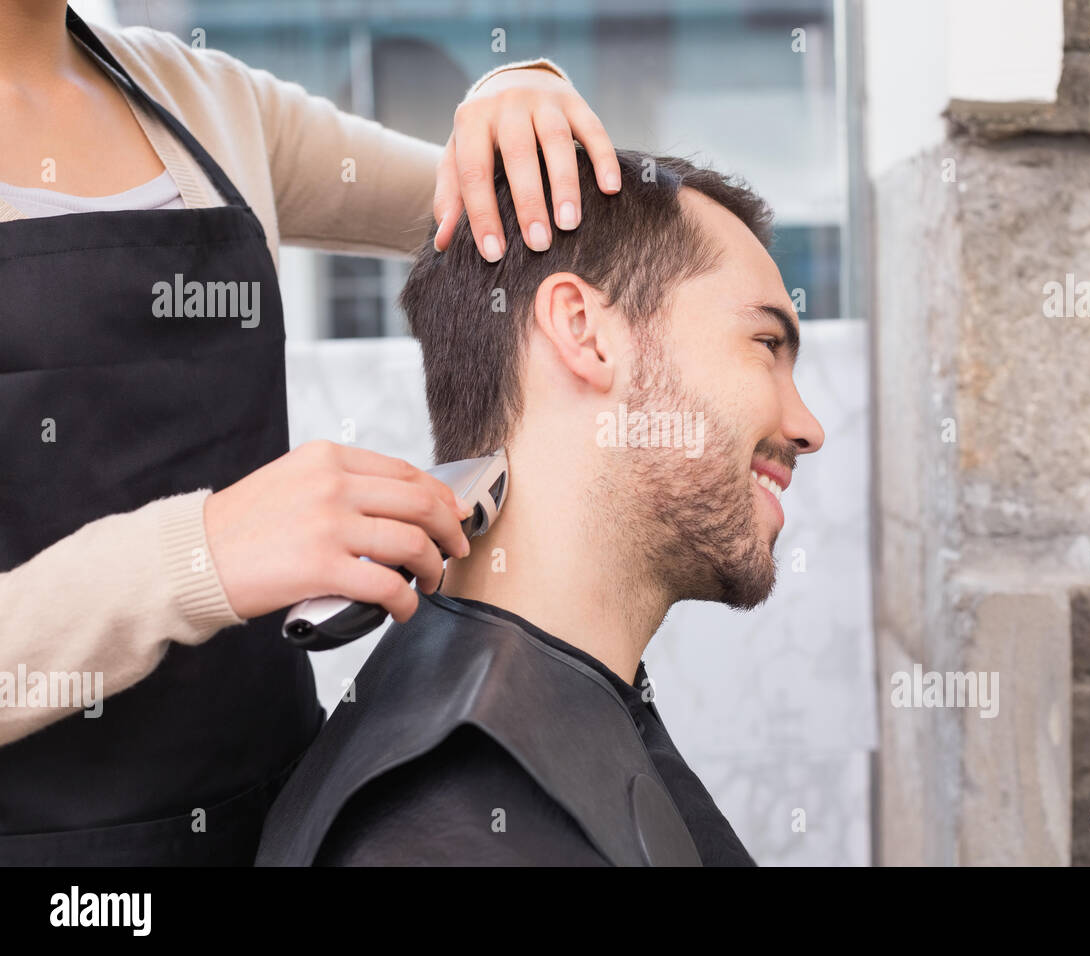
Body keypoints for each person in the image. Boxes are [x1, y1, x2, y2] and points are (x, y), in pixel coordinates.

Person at [0, 2, 621, 865]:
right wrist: (199, 554)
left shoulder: (206, 100)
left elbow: (506, 212)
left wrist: (515, 94)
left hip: (280, 818)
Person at [255, 147, 826, 866]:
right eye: (766, 342)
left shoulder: (529, 707)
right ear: (584, 331)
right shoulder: (452, 834)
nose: (808, 426)